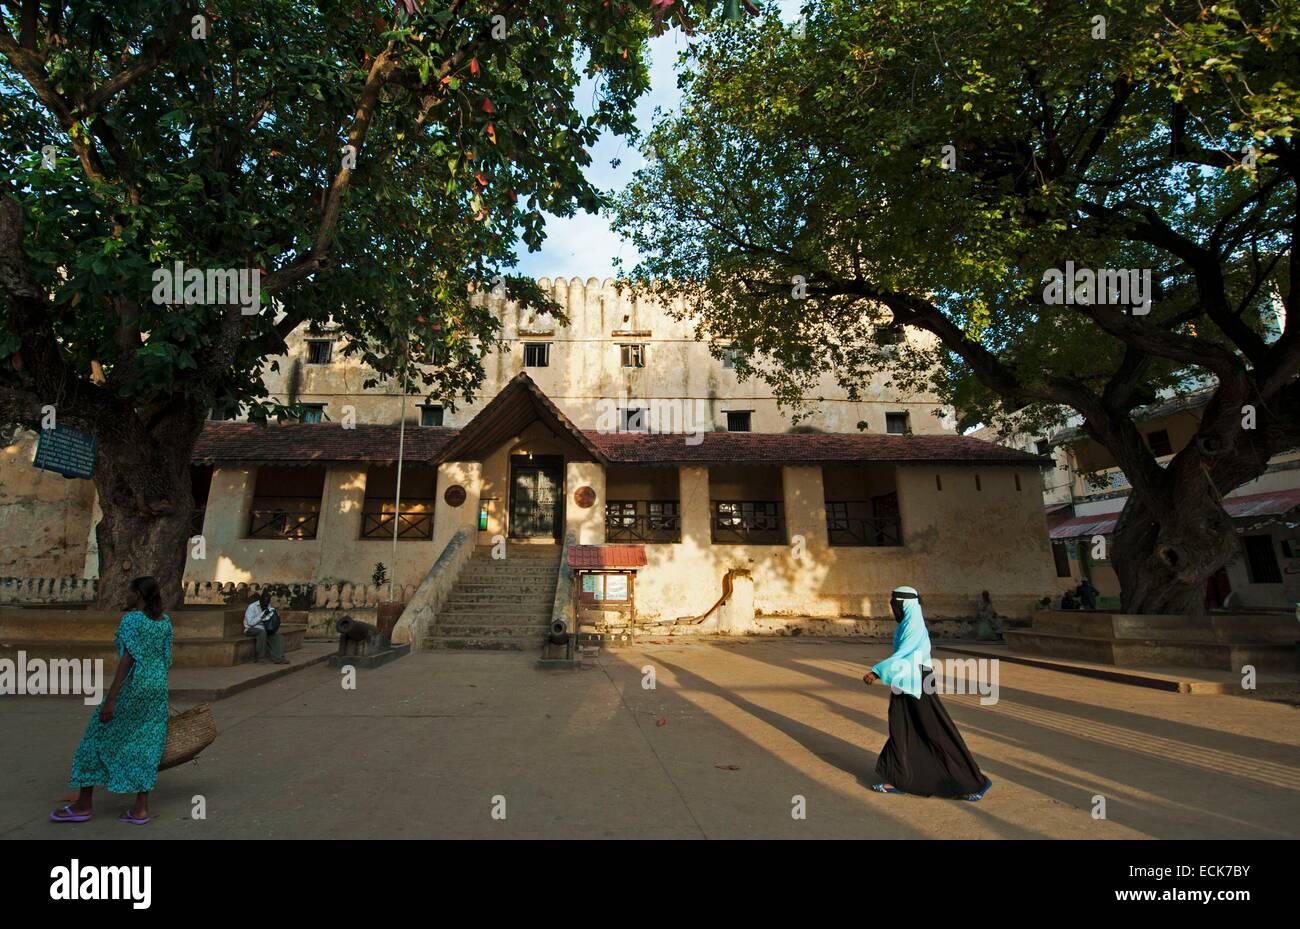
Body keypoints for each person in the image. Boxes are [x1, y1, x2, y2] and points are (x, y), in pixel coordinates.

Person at [51, 576, 173, 825]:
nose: (126, 595)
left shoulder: (132, 620)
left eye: (129, 591)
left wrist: (112, 698)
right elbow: (166, 658)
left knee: (95, 738)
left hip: (135, 684)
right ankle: (140, 809)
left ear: (138, 594)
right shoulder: (164, 622)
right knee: (146, 745)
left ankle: (83, 805)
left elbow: (128, 659)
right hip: (157, 686)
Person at [863, 585, 992, 800]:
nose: (894, 607)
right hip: (905, 680)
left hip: (920, 680)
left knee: (935, 730)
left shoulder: (913, 625)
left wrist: (876, 672)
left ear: (907, 604)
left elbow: (904, 654)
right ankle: (900, 779)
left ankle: (973, 781)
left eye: (897, 603)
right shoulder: (906, 624)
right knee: (901, 727)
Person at [244, 590, 289, 664]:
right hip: (250, 629)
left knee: (279, 637)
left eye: (267, 602)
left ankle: (279, 658)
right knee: (262, 633)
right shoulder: (252, 607)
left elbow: (268, 621)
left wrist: (274, 616)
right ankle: (260, 657)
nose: (266, 604)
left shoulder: (268, 606)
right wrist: (262, 615)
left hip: (265, 629)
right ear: (260, 601)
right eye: (264, 602)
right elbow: (250, 623)